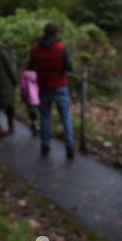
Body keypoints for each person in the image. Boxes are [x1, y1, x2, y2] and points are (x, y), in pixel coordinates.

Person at [26, 22, 76, 159]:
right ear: (56, 33)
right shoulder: (60, 48)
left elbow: (30, 67)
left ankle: (45, 144)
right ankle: (70, 145)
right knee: (65, 117)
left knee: (45, 117)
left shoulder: (35, 49)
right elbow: (70, 67)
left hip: (43, 87)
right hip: (60, 86)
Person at [19, 68, 40, 136]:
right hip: (38, 96)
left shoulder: (24, 74)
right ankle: (38, 125)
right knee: (39, 112)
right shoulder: (38, 74)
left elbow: (23, 87)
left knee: (31, 112)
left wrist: (23, 97)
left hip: (29, 97)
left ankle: (34, 124)